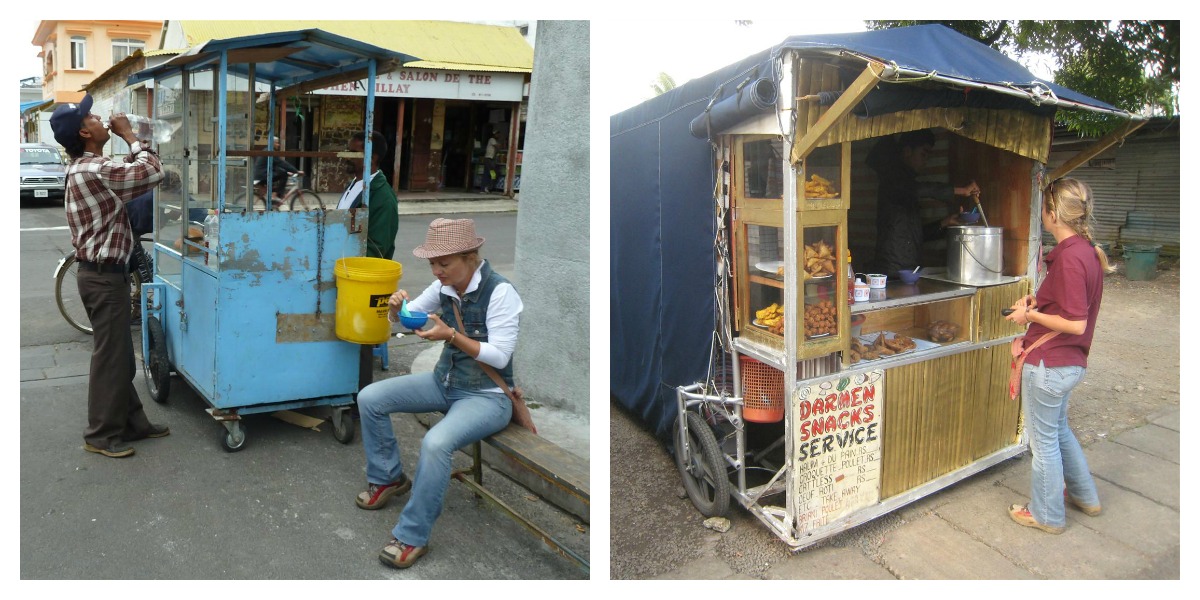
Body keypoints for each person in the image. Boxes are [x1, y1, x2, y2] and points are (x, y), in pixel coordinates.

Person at [354, 218, 523, 569]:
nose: (436, 270)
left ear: (470, 256)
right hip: (444, 382)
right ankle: (389, 478)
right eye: (432, 263)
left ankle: (412, 535)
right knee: (370, 397)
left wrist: (452, 336)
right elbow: (409, 317)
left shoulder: (501, 292)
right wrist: (395, 307)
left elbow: (500, 355)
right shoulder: (444, 287)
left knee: (435, 443)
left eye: (444, 263)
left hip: (486, 397)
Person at [51, 93, 168, 458]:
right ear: (84, 133)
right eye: (91, 117)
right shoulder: (93, 170)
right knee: (111, 357)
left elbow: (135, 175)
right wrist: (131, 136)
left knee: (120, 356)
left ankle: (133, 422)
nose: (100, 118)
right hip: (103, 277)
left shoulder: (89, 167)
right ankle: (100, 434)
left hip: (103, 275)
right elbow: (153, 171)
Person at [1004, 177, 1113, 534]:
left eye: (1043, 209)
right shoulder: (1084, 250)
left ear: (1052, 213)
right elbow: (1067, 302)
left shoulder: (1070, 258)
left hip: (1050, 364)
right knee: (1060, 431)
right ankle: (1086, 497)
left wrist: (1029, 316)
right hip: (1069, 364)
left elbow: (1076, 322)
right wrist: (1039, 302)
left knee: (1044, 443)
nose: (1041, 216)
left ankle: (1046, 514)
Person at [866, 129, 981, 277]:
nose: (926, 162)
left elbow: (916, 234)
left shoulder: (906, 185)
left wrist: (944, 223)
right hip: (891, 273)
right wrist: (961, 190)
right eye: (923, 154)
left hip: (908, 270)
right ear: (907, 151)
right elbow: (920, 189)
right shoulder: (893, 180)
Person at [338, 130, 400, 390]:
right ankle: (339, 384)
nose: (346, 155)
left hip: (361, 280)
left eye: (353, 151)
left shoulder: (382, 197)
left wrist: (351, 270)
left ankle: (357, 397)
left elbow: (378, 249)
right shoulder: (356, 184)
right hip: (345, 270)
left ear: (371, 158)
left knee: (359, 335)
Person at [253, 136, 302, 209]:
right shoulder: (270, 152)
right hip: (263, 175)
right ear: (272, 143)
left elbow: (275, 165)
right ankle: (276, 196)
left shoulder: (267, 150)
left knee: (283, 172)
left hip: (261, 174)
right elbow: (282, 163)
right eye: (277, 143)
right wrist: (296, 171)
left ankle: (274, 197)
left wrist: (288, 171)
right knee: (284, 175)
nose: (278, 145)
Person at [480, 128, 499, 193]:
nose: (498, 135)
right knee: (491, 174)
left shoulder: (493, 140)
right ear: (494, 134)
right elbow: (497, 146)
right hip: (488, 159)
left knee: (488, 173)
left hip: (489, 159)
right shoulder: (492, 139)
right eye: (497, 134)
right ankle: (486, 188)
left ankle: (485, 188)